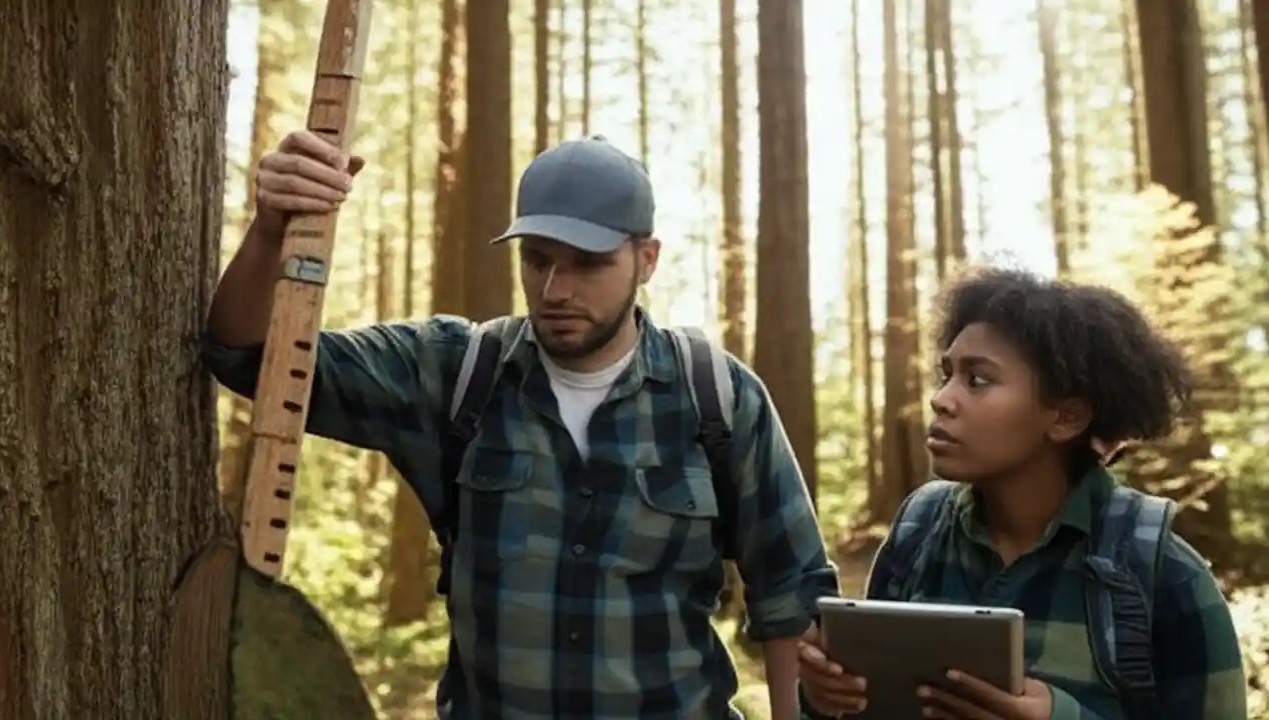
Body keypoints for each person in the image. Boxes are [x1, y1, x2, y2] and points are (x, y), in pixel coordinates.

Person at [202, 130, 839, 719]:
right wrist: (271, 231)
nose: (556, 290)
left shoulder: (718, 397)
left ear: (646, 260)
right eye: (537, 260)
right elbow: (250, 358)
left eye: (587, 263)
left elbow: (790, 595)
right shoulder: (453, 373)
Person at [798, 267, 1247, 719]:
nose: (941, 399)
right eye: (947, 374)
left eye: (977, 380)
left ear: (1066, 417)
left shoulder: (1164, 574)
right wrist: (826, 699)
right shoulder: (918, 534)